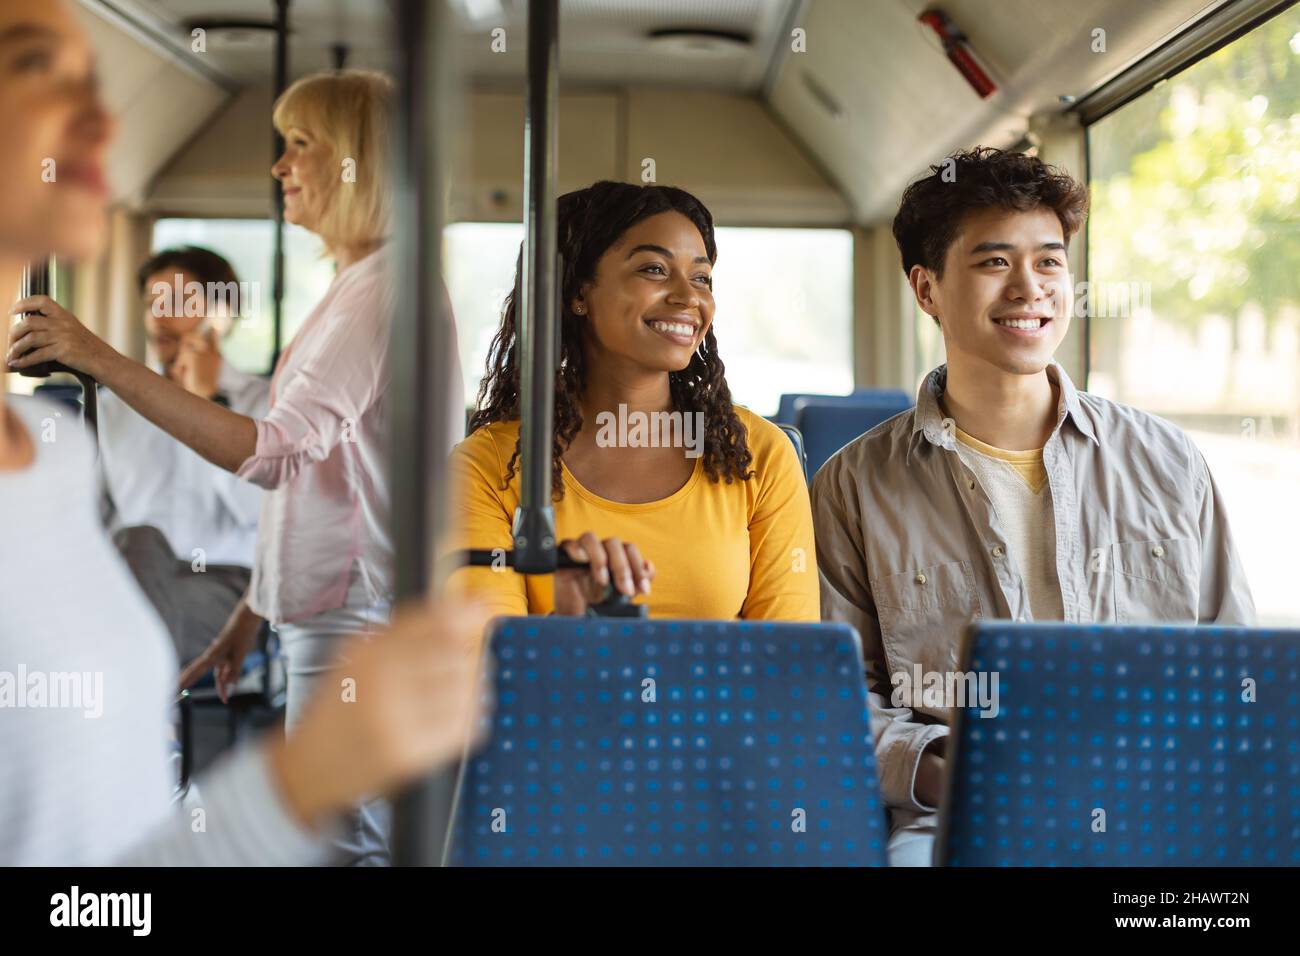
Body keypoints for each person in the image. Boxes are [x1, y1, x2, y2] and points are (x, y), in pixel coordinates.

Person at [0, 0, 485, 866]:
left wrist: (96, 356)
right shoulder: (361, 289)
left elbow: (270, 454)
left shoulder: (380, 291)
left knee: (351, 843)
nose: (280, 165)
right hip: (325, 602)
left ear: (353, 160)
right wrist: (252, 611)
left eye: (301, 144)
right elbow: (315, 474)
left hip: (354, 607)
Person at [810, 146, 1256, 866]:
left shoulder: (1169, 463)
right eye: (994, 263)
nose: (1029, 289)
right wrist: (940, 770)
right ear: (926, 289)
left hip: (1157, 807)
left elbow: (1235, 661)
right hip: (959, 819)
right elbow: (834, 700)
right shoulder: (852, 486)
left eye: (1049, 262)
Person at [450, 181, 818, 621]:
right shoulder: (489, 465)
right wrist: (571, 624)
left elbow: (788, 668)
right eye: (654, 270)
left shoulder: (759, 454)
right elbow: (486, 666)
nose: (688, 297)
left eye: (701, 277)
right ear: (578, 292)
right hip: (555, 693)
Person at [97, 246, 268, 666]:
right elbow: (93, 516)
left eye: (177, 302)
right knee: (136, 543)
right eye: (152, 303)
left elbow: (259, 514)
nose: (159, 317)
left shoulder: (264, 403)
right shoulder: (112, 406)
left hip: (227, 585)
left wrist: (205, 402)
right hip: (124, 577)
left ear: (221, 315)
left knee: (123, 612)